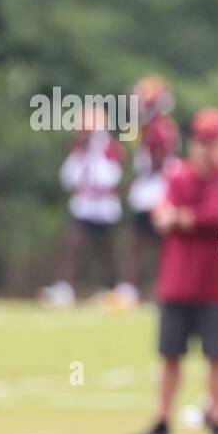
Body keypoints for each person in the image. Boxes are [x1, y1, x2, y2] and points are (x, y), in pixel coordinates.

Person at [138, 108, 218, 434]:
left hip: (216, 286)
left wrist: (186, 218)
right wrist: (186, 219)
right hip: (177, 283)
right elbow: (162, 216)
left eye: (212, 142)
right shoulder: (180, 177)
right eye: (201, 142)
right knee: (169, 355)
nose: (205, 149)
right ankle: (162, 420)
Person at [40, 106, 124, 307]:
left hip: (104, 208)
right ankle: (64, 289)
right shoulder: (77, 148)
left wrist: (94, 155)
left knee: (106, 252)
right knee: (71, 245)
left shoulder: (110, 147)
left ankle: (111, 290)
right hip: (83, 206)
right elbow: (68, 177)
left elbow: (110, 178)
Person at [120, 75, 180, 304]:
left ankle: (151, 288)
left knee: (145, 242)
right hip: (153, 188)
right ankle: (141, 289)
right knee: (144, 243)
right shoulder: (154, 125)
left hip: (153, 191)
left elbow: (157, 160)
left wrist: (138, 176)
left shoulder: (156, 127)